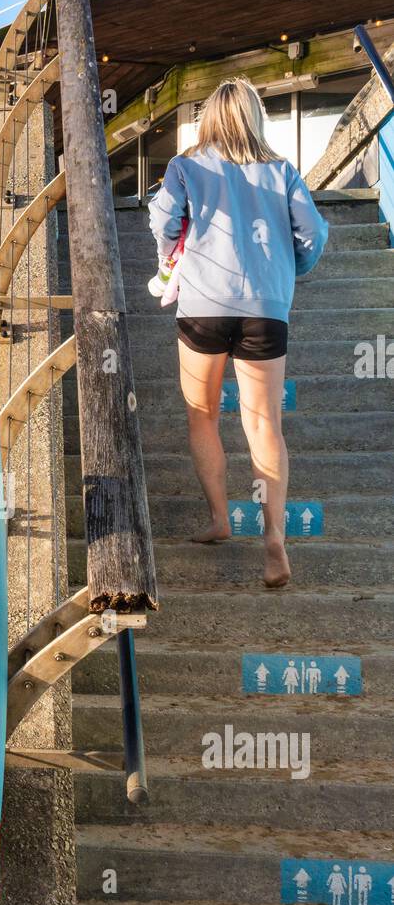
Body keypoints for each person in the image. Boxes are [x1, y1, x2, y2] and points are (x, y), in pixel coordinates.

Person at [148, 77, 328, 588]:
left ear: (208, 118)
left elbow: (163, 221)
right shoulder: (282, 170)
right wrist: (288, 270)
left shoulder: (185, 166)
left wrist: (168, 261)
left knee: (202, 416)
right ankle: (274, 538)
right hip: (266, 308)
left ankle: (220, 519)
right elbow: (311, 234)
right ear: (254, 117)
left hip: (204, 304)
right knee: (264, 423)